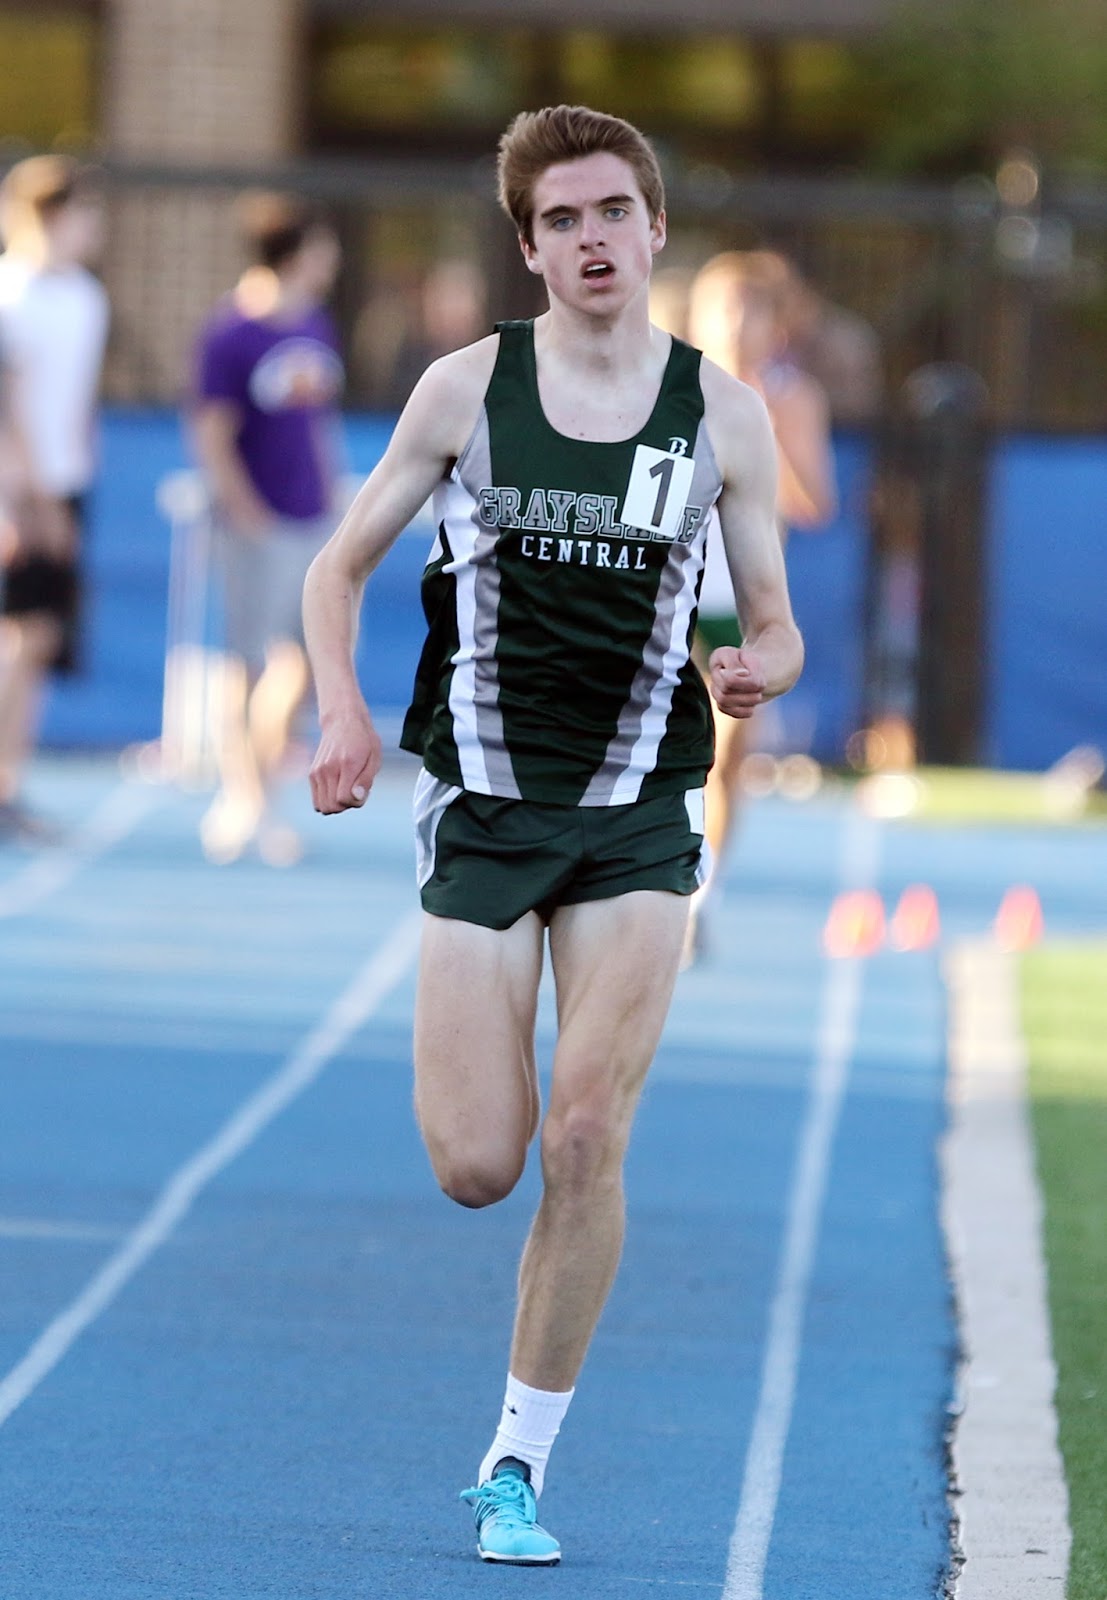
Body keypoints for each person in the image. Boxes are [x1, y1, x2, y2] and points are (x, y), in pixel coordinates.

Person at [303, 104, 804, 1565]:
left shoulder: (721, 413)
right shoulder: (466, 391)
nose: (592, 239)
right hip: (484, 806)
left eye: (613, 212)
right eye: (562, 220)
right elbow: (337, 571)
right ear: (528, 249)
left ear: (655, 229)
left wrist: (753, 666)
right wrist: (340, 715)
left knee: (586, 1133)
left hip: (638, 815)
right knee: (477, 1162)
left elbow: (771, 622)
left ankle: (514, 1466)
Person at [684, 250, 836, 959]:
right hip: (668, 588)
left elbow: (814, 505)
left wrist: (767, 434)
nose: (738, 325)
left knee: (724, 752)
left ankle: (701, 891)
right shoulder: (668, 388)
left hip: (738, 594)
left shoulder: (790, 397)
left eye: (752, 311)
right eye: (726, 309)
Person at [190, 191, 344, 865]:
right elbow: (211, 432)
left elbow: (319, 422)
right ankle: (246, 797)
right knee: (244, 662)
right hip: (258, 521)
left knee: (306, 660)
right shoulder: (229, 334)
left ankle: (263, 779)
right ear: (295, 253)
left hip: (313, 517)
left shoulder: (316, 326)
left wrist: (334, 492)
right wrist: (245, 509)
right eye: (322, 247)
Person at [0, 156, 108, 840]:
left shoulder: (87, 299)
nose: (96, 227)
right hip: (15, 490)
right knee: (22, 636)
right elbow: (7, 408)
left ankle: (9, 782)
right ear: (51, 214)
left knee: (37, 640)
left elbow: (73, 405)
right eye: (86, 212)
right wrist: (26, 503)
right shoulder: (10, 293)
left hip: (65, 485)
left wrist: (67, 492)